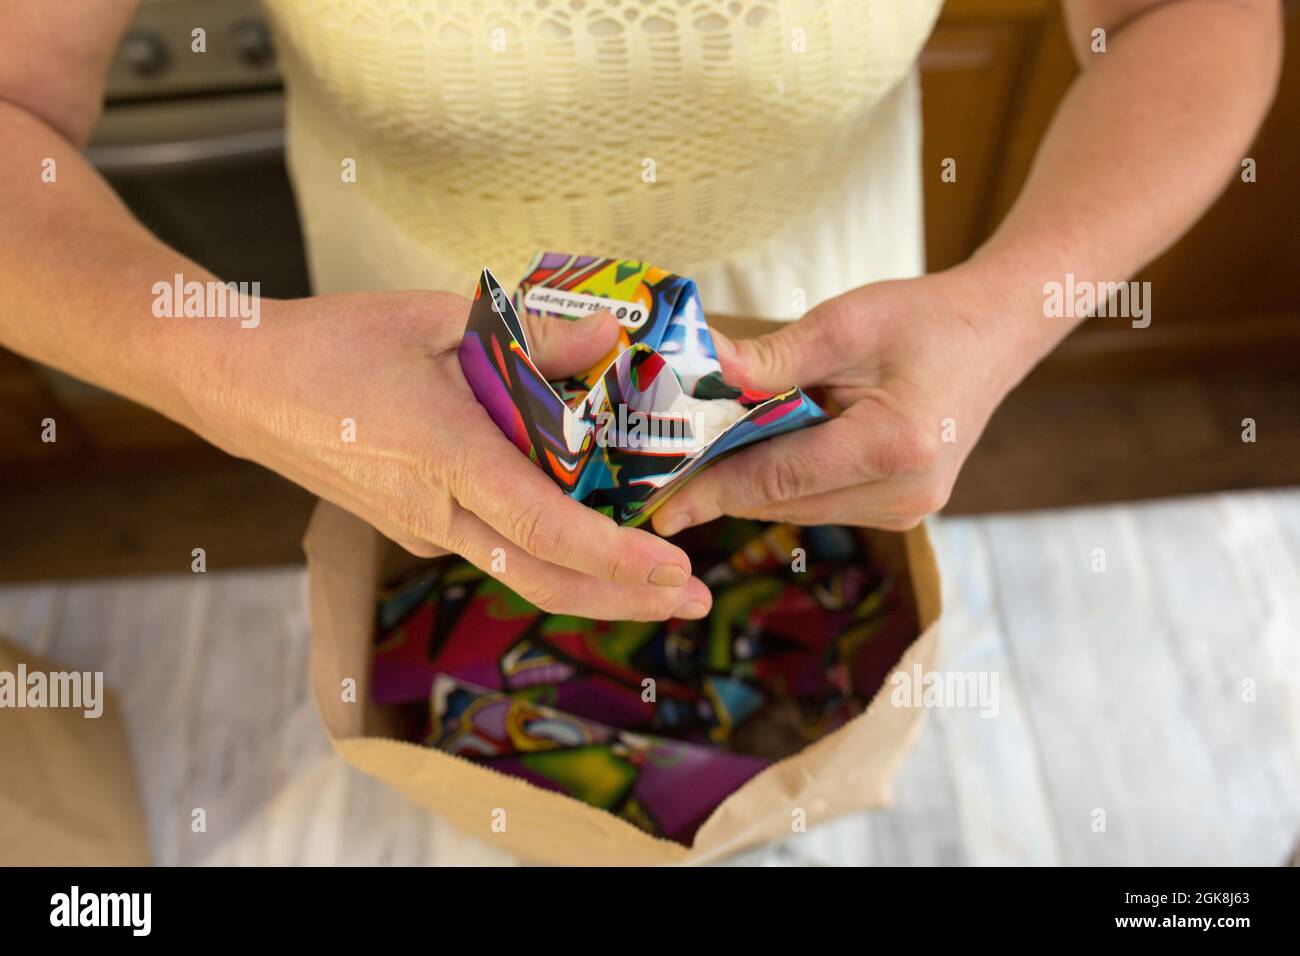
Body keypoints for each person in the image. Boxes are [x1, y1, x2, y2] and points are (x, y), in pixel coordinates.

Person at [0, 1, 1281, 623]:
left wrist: (1008, 308)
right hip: (419, 383)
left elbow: (1179, 12)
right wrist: (216, 362)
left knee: (783, 630)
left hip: (829, 334)